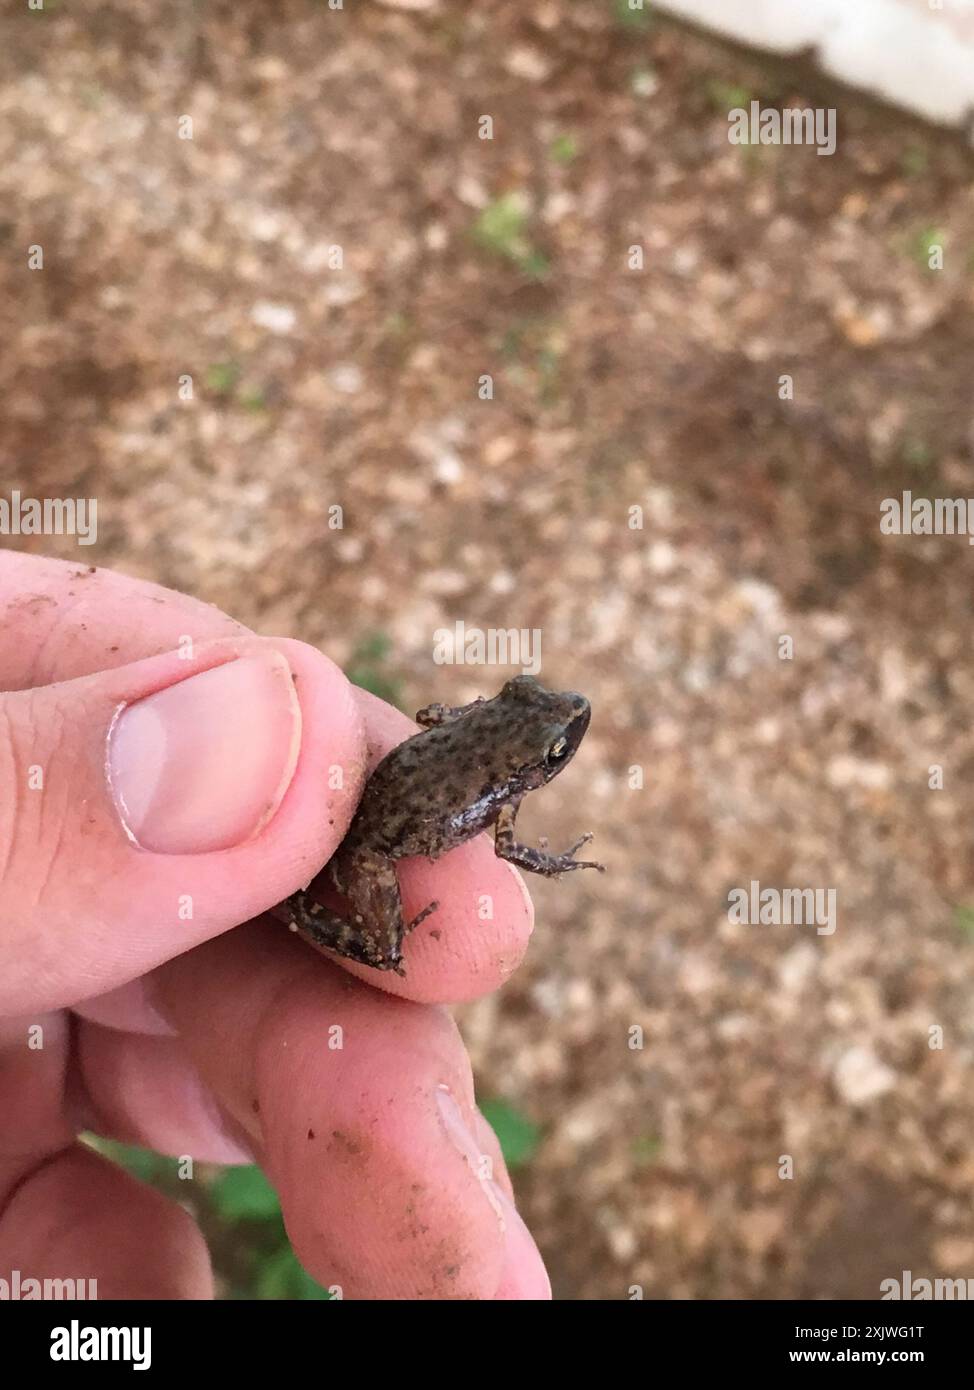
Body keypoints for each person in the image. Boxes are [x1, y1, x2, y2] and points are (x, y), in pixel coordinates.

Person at [0, 551, 550, 1300]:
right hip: (373, 840)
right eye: (527, 710)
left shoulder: (475, 743)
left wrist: (469, 725)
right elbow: (510, 846)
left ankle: (301, 909)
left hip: (377, 803)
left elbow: (428, 720)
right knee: (393, 952)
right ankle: (303, 917)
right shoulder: (504, 798)